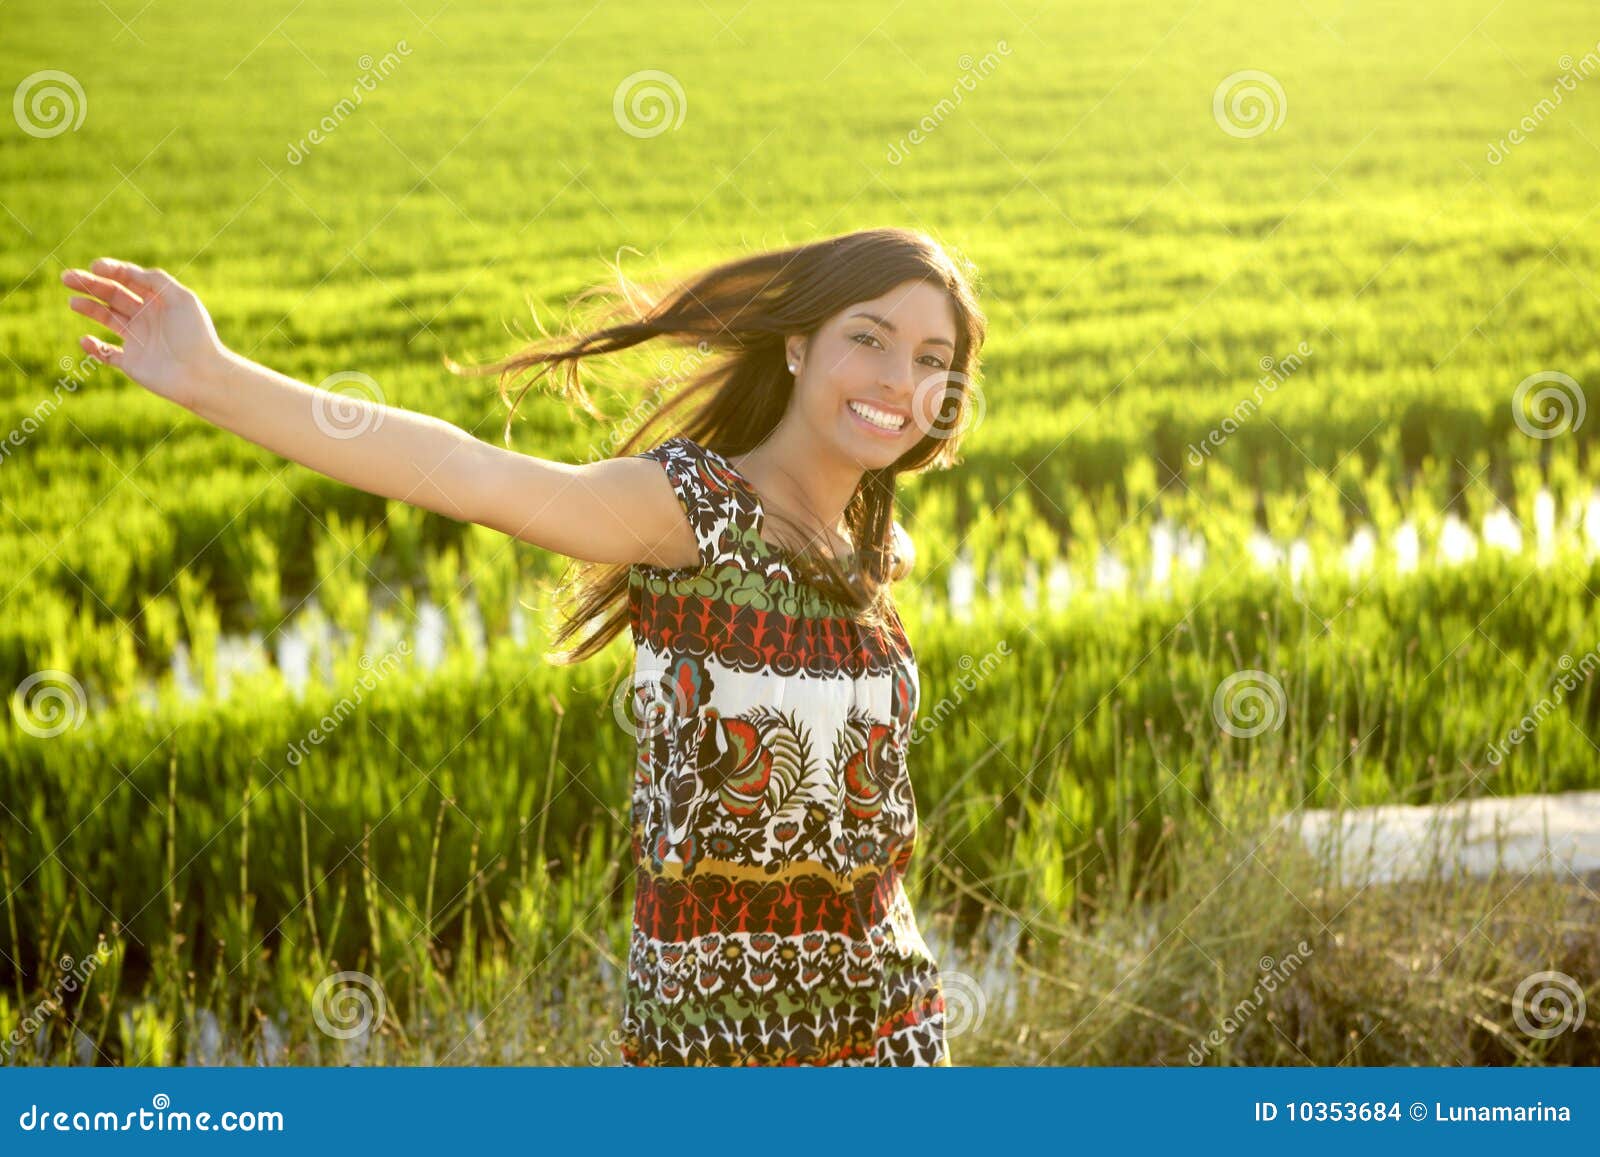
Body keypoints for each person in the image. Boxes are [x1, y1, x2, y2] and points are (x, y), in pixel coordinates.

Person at [59, 226, 988, 1065]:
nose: (900, 381)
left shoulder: (874, 554)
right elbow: (467, 472)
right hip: (720, 1043)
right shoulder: (695, 510)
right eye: (868, 338)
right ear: (797, 346)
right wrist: (213, 377)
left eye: (930, 358)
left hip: (893, 1034)